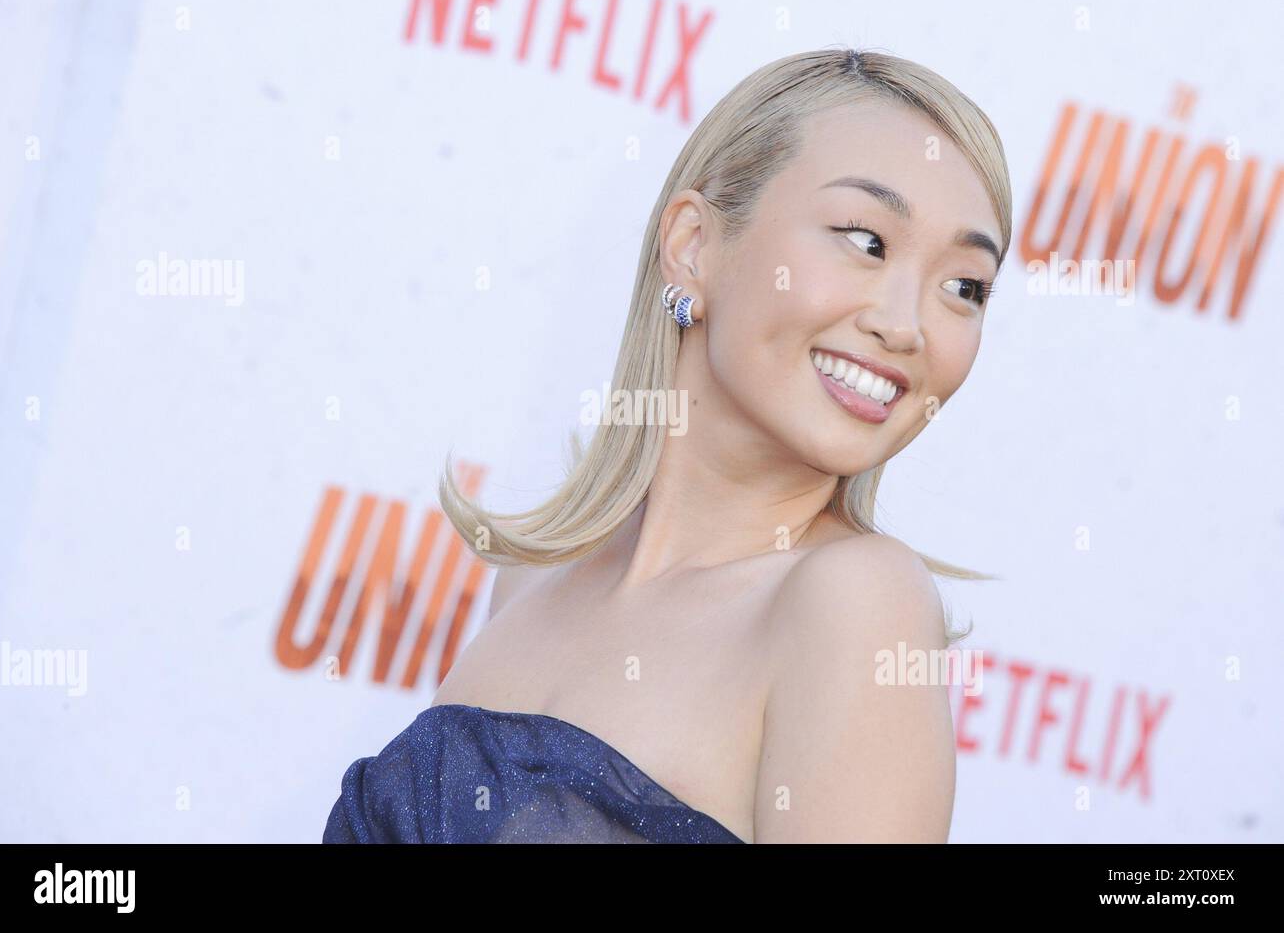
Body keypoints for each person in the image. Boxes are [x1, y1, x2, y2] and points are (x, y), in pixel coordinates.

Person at [324, 46, 1011, 843]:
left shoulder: (856, 600)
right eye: (866, 242)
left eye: (965, 287)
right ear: (693, 245)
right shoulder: (534, 575)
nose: (907, 323)